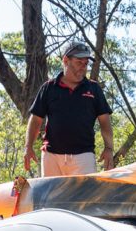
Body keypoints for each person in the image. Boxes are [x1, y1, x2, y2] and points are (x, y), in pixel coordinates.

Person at [24, 41, 114, 177]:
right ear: (66, 60)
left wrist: (108, 149)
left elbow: (105, 122)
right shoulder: (48, 88)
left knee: (84, 199)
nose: (83, 67)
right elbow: (36, 119)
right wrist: (28, 147)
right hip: (51, 156)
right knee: (51, 198)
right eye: (79, 62)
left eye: (86, 64)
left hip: (84, 157)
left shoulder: (94, 88)